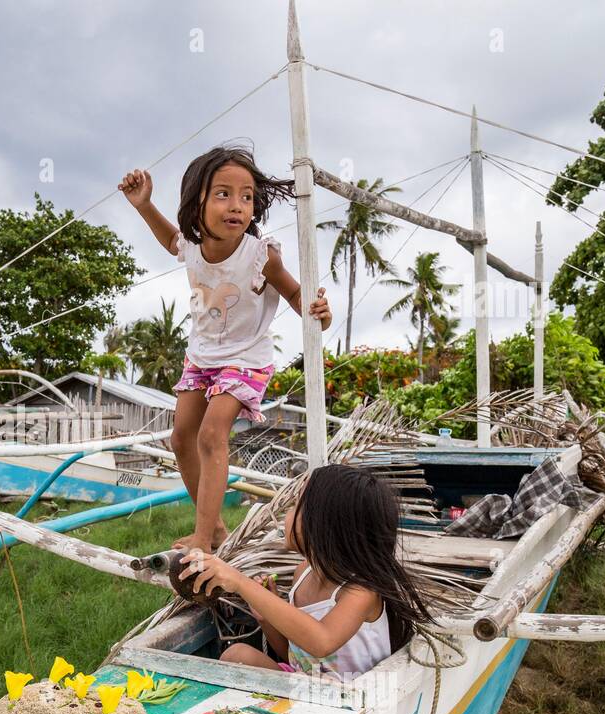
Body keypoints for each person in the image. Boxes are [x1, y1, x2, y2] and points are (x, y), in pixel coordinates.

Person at [119, 143, 332, 554]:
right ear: (196, 200)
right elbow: (170, 240)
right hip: (201, 356)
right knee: (182, 439)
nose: (237, 205)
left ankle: (201, 539)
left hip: (245, 357)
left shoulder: (260, 255)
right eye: (223, 194)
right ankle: (214, 527)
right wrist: (143, 205)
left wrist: (320, 312)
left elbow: (296, 296)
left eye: (247, 196)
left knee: (213, 434)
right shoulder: (193, 248)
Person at [179, 464, 433, 681]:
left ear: (324, 524)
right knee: (236, 655)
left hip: (350, 697)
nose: (286, 516)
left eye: (295, 507)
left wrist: (241, 582)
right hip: (305, 684)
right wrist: (267, 619)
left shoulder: (360, 591)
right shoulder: (304, 574)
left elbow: (321, 643)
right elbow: (296, 652)